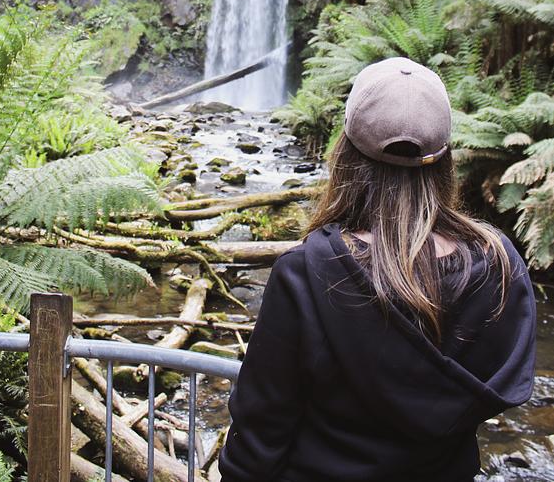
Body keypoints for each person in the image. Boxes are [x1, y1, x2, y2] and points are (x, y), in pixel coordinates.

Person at [219, 58, 536, 482]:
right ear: (445, 160)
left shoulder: (305, 274)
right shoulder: (498, 267)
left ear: (345, 155)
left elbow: (260, 429)